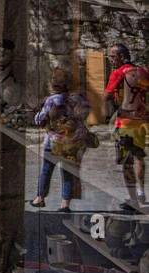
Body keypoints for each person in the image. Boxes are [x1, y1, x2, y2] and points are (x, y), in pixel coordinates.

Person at [31, 67, 93, 212]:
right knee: (67, 173)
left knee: (46, 170)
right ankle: (65, 204)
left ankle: (40, 198)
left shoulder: (51, 100)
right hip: (72, 142)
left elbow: (39, 120)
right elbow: (85, 113)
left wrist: (37, 113)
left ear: (53, 84)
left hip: (54, 141)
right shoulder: (78, 98)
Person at [103, 44, 149, 210]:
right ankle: (141, 191)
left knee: (127, 161)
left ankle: (132, 200)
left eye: (113, 57)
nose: (111, 59)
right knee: (139, 156)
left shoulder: (118, 72)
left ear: (122, 57)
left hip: (126, 122)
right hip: (142, 121)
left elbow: (107, 95)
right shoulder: (143, 71)